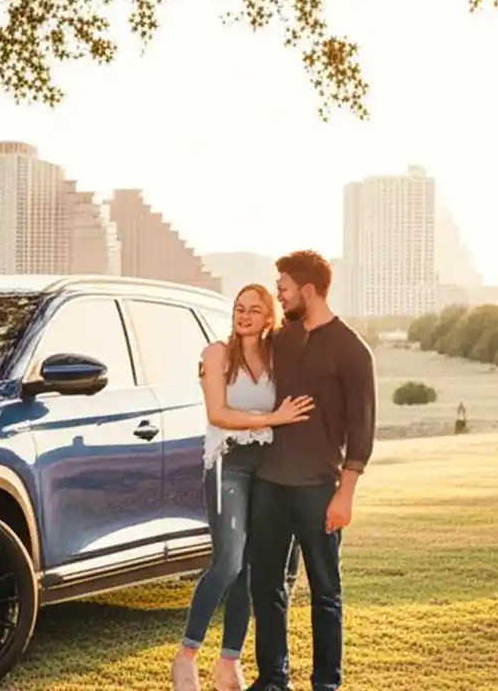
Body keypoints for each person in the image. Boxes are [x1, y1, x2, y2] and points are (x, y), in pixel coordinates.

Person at [171, 284, 315, 691]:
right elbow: (217, 414)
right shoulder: (216, 353)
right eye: (239, 308)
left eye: (254, 309)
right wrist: (274, 419)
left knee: (252, 570)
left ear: (268, 318)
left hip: (266, 467)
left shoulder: (275, 356)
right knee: (228, 562)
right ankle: (185, 657)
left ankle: (228, 665)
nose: (244, 315)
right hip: (228, 463)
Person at [247, 251, 376, 691]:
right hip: (270, 484)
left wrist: (346, 494)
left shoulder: (352, 350)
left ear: (308, 290)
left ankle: (326, 684)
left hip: (319, 487)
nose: (279, 296)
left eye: (283, 289)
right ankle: (273, 679)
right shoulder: (282, 341)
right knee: (265, 587)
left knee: (325, 592)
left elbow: (362, 430)